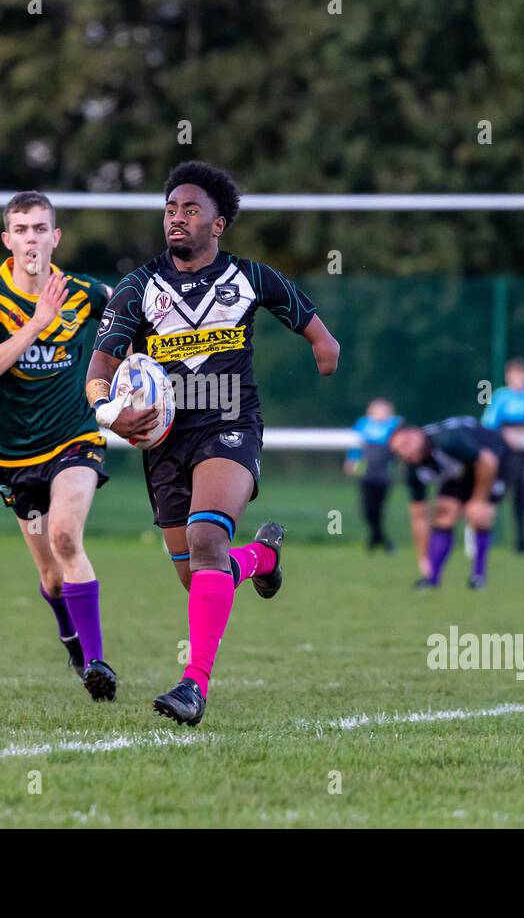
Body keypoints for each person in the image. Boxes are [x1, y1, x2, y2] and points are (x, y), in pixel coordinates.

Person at [85, 161, 339, 726]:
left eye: (191, 209)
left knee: (205, 541)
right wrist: (108, 411)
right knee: (200, 573)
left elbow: (322, 338)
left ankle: (193, 686)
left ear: (219, 223)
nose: (177, 218)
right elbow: (100, 363)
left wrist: (324, 351)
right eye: (171, 209)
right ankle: (263, 557)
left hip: (231, 424)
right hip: (165, 440)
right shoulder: (138, 287)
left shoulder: (251, 277)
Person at [0, 191, 117, 701]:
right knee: (51, 578)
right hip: (15, 458)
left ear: (56, 237)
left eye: (40, 228)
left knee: (67, 537)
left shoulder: (86, 291)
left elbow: (130, 324)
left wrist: (136, 377)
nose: (32, 238)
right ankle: (70, 635)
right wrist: (36, 325)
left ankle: (97, 664)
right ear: (8, 240)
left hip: (76, 440)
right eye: (22, 229)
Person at [391, 415, 512, 590]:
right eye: (399, 451)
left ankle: (478, 577)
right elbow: (418, 516)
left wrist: (479, 500)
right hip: (460, 469)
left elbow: (487, 461)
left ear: (417, 435)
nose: (405, 452)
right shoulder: (412, 468)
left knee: (478, 516)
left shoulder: (447, 440)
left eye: (406, 444)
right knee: (443, 514)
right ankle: (432, 578)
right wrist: (423, 557)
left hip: (493, 462)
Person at [481, 357, 524, 552]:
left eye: (522, 375)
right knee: (499, 494)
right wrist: (505, 435)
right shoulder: (500, 397)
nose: (519, 380)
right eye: (515, 376)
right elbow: (488, 424)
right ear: (508, 377)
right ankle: (481, 537)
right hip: (507, 455)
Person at [345, 398, 402, 552]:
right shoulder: (363, 424)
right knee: (367, 509)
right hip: (366, 472)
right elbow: (355, 445)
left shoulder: (394, 425)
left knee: (378, 508)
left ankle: (375, 540)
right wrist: (351, 461)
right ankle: (380, 540)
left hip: (384, 473)